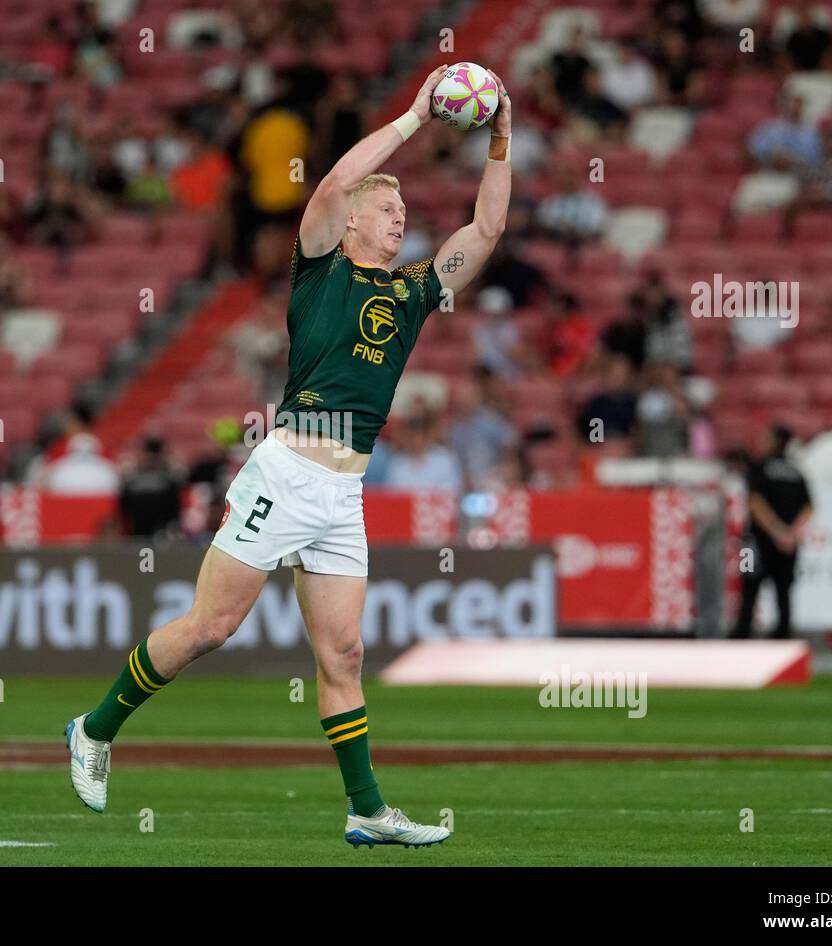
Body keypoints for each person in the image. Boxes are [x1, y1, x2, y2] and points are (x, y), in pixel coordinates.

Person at [65, 64, 514, 848]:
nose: (399, 216)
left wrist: (502, 138)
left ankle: (367, 810)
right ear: (350, 224)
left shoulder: (411, 296)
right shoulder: (319, 270)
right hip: (288, 471)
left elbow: (485, 233)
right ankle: (95, 730)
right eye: (386, 206)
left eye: (404, 206)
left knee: (344, 653)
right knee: (211, 628)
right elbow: (339, 178)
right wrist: (413, 115)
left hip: (346, 492)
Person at [729, 423, 813, 639]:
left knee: (749, 585)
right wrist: (791, 533)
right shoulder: (797, 471)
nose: (761, 442)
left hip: (754, 541)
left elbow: (755, 503)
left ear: (776, 441)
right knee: (783, 590)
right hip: (788, 544)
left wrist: (776, 531)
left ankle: (743, 631)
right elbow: (808, 507)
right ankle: (783, 633)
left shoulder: (759, 468)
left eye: (766, 438)